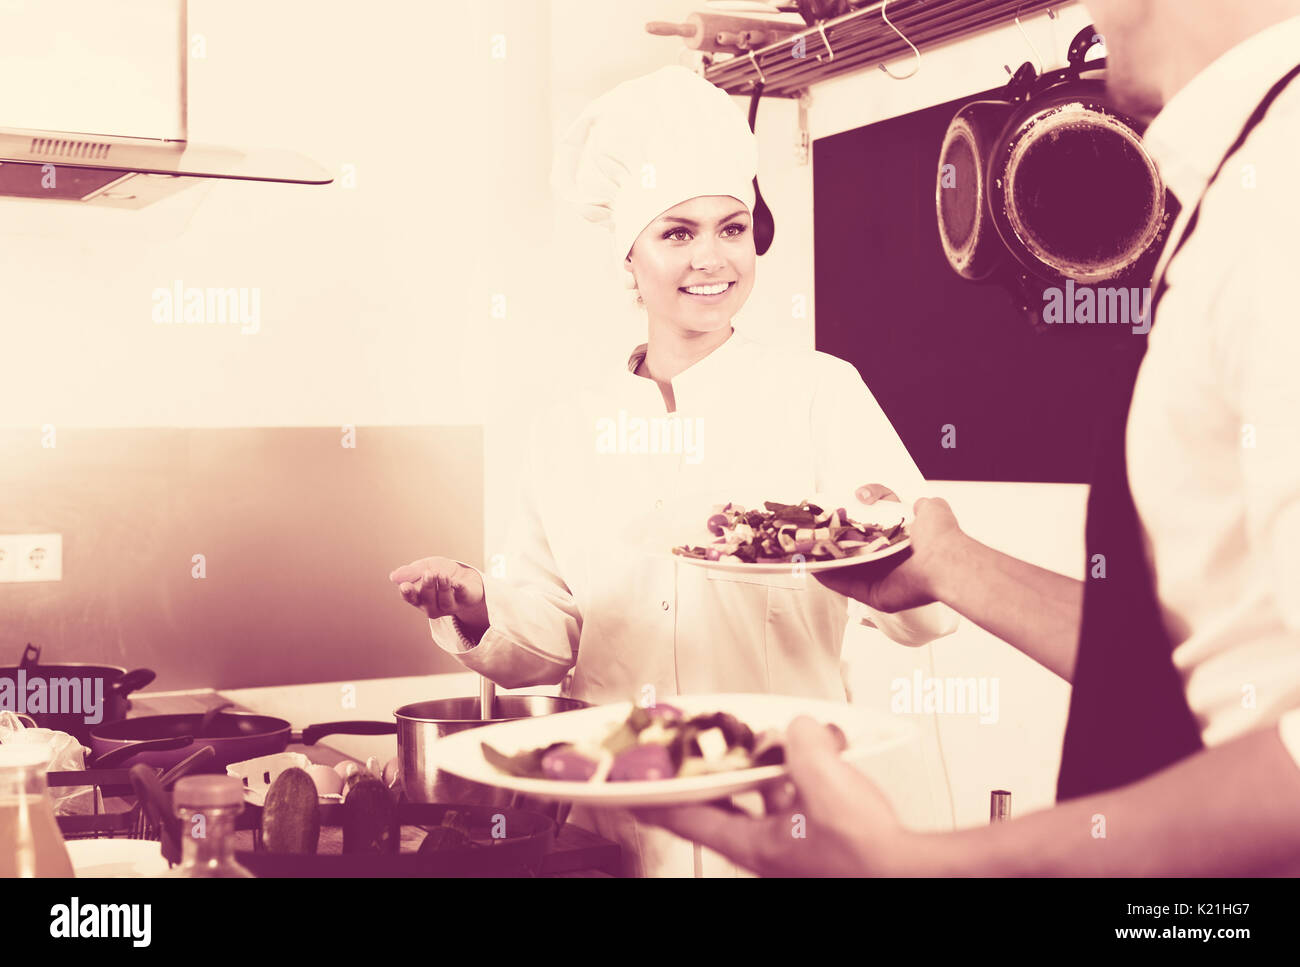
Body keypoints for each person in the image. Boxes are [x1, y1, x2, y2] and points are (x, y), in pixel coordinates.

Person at [636, 0, 1300, 875]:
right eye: (676, 232)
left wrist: (924, 866)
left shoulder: (1279, 205)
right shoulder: (1236, 190)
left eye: (725, 228)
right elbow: (1198, 663)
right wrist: (950, 561)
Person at [389, 65, 957, 877]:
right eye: (677, 232)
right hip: (617, 824)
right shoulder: (567, 431)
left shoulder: (820, 392)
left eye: (732, 228)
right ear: (630, 255)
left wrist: (892, 557)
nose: (712, 259)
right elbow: (548, 641)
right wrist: (478, 602)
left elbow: (926, 609)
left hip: (783, 805)